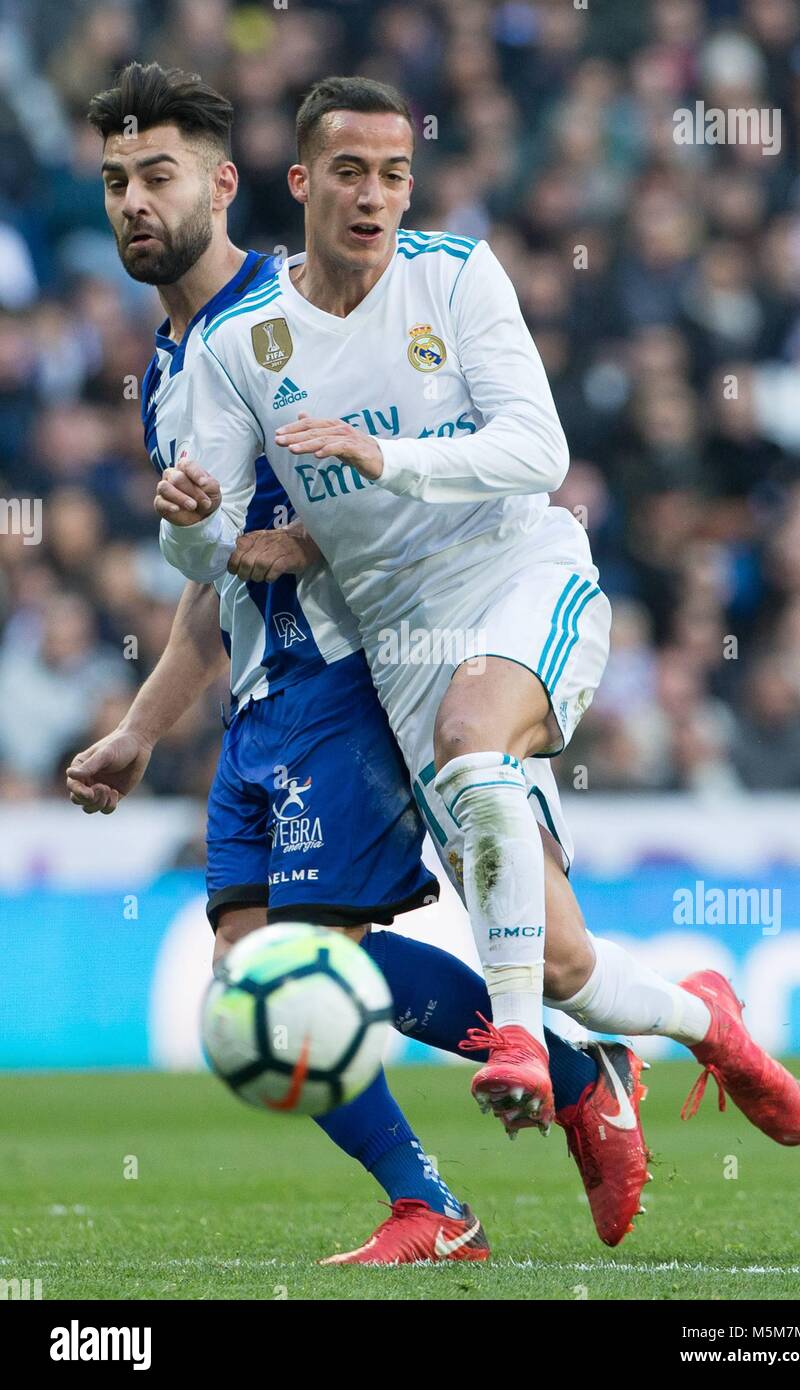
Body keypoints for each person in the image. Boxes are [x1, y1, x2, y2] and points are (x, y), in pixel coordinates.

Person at [157, 70, 800, 1155]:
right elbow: (206, 539)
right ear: (301, 181)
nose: (374, 197)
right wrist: (186, 522)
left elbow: (537, 451)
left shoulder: (456, 276)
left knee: (473, 742)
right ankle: (708, 1021)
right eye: (351, 174)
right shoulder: (242, 345)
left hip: (516, 575)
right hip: (400, 644)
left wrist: (385, 456)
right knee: (564, 963)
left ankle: (515, 1046)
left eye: (395, 175)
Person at [71, 61, 650, 1263]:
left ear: (223, 186)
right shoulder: (177, 367)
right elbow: (213, 574)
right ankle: (465, 1160)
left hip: (348, 674)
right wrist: (140, 726)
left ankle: (533, 1076)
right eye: (116, 179)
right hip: (259, 693)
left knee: (305, 958)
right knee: (250, 967)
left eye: (157, 177)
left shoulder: (284, 325)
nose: (133, 202)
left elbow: (389, 506)